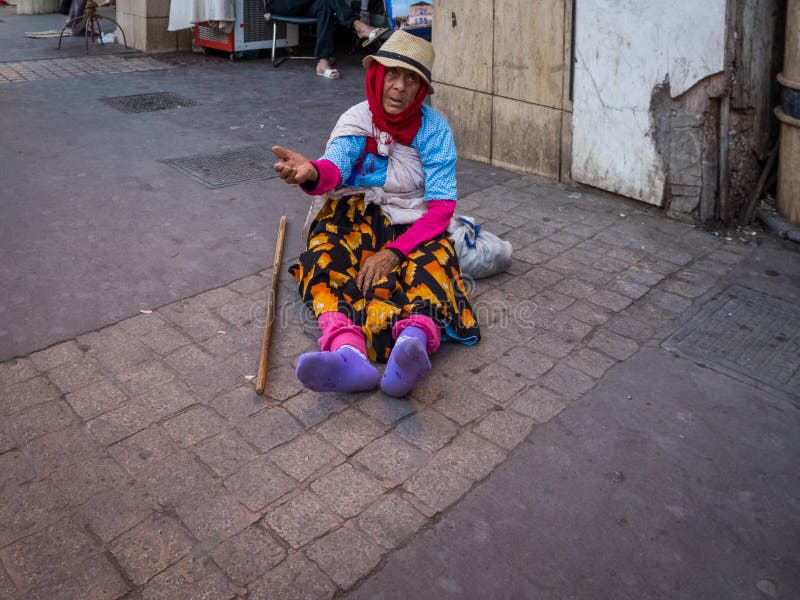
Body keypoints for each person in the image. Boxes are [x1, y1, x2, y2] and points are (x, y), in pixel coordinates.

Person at [272, 30, 480, 397]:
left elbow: (442, 208)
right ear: (376, 75)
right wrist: (311, 173)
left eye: (411, 79)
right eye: (392, 75)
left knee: (436, 261)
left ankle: (411, 347)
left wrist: (395, 252)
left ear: (422, 90)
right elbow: (335, 168)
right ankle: (347, 354)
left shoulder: (435, 131)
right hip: (351, 215)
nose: (399, 87)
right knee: (322, 259)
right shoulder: (357, 120)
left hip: (411, 220)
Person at [268, 0, 388, 78]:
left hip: (304, 5)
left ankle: (322, 62)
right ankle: (358, 25)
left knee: (324, 5)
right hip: (281, 4)